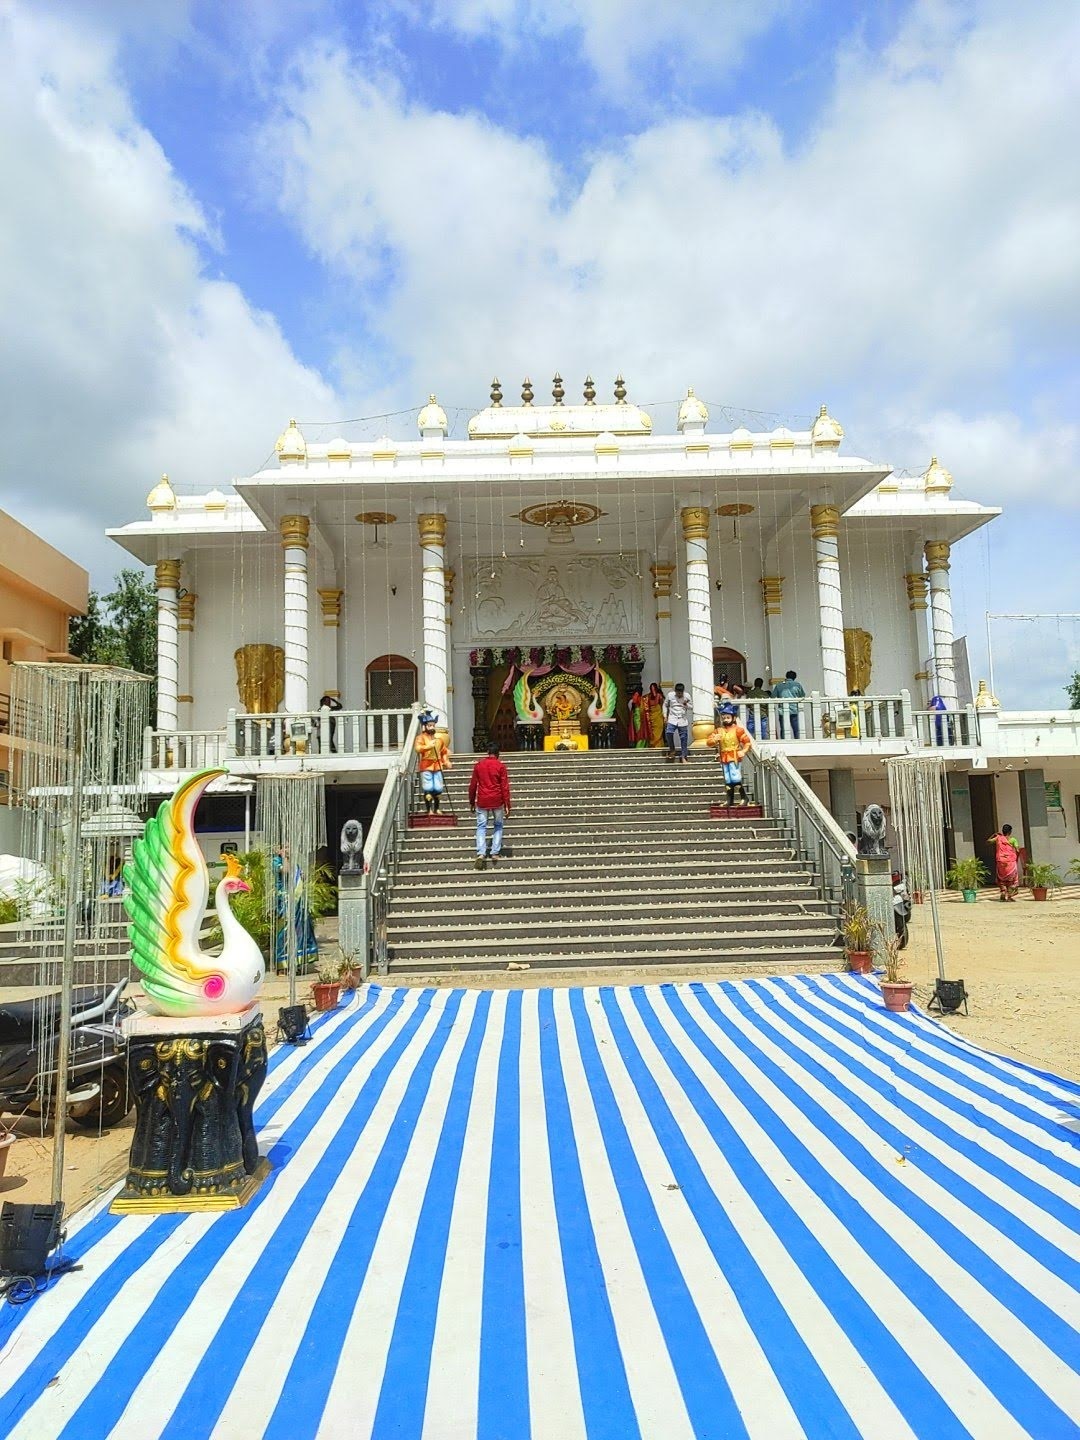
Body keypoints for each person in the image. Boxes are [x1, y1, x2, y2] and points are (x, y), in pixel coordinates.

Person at [469, 743, 512, 870]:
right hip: (497, 800)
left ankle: (481, 853)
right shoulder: (500, 766)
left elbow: (473, 785)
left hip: (482, 800)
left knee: (481, 826)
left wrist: (471, 801)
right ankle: (495, 852)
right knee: (498, 825)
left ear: (488, 752)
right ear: (498, 754)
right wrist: (507, 805)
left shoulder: (479, 765)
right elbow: (504, 787)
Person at [706, 706, 753, 806]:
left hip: (734, 756)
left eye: (728, 717)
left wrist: (743, 751)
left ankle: (744, 797)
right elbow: (708, 742)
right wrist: (714, 739)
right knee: (727, 778)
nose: (726, 720)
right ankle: (729, 799)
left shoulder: (738, 730)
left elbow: (748, 743)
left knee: (735, 777)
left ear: (733, 718)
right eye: (724, 718)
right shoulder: (719, 730)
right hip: (724, 757)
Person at [414, 716, 451, 813]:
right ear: (425, 726)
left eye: (433, 725)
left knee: (438, 788)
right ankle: (429, 809)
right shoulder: (420, 738)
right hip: (426, 765)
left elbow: (444, 751)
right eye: (430, 725)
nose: (432, 727)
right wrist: (428, 746)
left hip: (437, 765)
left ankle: (437, 808)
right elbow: (418, 748)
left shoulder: (439, 739)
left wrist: (446, 761)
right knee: (428, 788)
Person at [989, 823, 1021, 901]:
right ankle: (1009, 895)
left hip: (1000, 861)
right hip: (1010, 861)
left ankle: (1003, 891)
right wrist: (1015, 857)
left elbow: (988, 841)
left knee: (1001, 878)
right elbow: (1017, 850)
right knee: (1012, 878)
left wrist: (994, 835)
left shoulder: (998, 838)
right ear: (1010, 832)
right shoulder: (1013, 840)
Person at [663, 682, 693, 762]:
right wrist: (665, 716)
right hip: (672, 718)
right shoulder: (670, 695)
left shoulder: (687, 696)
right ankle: (672, 750)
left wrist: (686, 705)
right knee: (669, 733)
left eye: (681, 693)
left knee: (684, 738)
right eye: (678, 693)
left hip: (682, 719)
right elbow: (665, 705)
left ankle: (683, 756)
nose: (679, 694)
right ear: (675, 691)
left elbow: (691, 707)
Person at [772, 670, 805, 739]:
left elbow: (773, 696)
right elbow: (802, 695)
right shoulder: (797, 685)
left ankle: (783, 742)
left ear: (786, 677)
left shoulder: (779, 685)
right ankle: (798, 741)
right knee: (796, 729)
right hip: (794, 710)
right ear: (794, 677)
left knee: (783, 729)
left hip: (782, 711)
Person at [644, 683, 666, 747]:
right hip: (651, 717)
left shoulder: (659, 696)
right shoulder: (648, 696)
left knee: (659, 731)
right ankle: (653, 745)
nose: (653, 690)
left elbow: (662, 706)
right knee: (652, 732)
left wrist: (664, 716)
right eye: (651, 688)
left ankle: (658, 746)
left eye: (654, 688)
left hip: (658, 717)